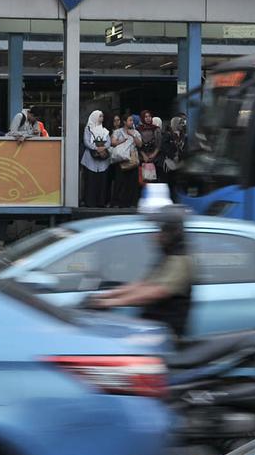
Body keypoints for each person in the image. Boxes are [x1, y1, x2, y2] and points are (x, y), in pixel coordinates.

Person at [88, 205, 193, 339]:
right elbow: (143, 285)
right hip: (152, 330)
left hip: (166, 336)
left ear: (172, 233)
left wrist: (110, 303)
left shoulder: (180, 261)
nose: (155, 236)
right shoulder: (167, 257)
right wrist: (106, 296)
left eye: (160, 231)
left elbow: (154, 292)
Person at [110, 114, 143, 208]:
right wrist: (122, 141)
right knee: (120, 181)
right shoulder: (118, 132)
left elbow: (140, 144)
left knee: (132, 182)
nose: (132, 122)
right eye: (130, 120)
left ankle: (132, 203)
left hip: (132, 159)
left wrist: (132, 135)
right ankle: (118, 203)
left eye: (132, 121)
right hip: (122, 159)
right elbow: (113, 143)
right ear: (124, 122)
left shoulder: (136, 132)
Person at [80, 110, 111, 208]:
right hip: (90, 161)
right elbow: (86, 141)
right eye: (100, 116)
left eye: (102, 116)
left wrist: (103, 148)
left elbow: (108, 142)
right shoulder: (88, 129)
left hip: (102, 161)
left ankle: (101, 202)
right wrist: (97, 148)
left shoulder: (104, 130)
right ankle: (90, 202)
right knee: (91, 182)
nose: (102, 118)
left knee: (102, 182)